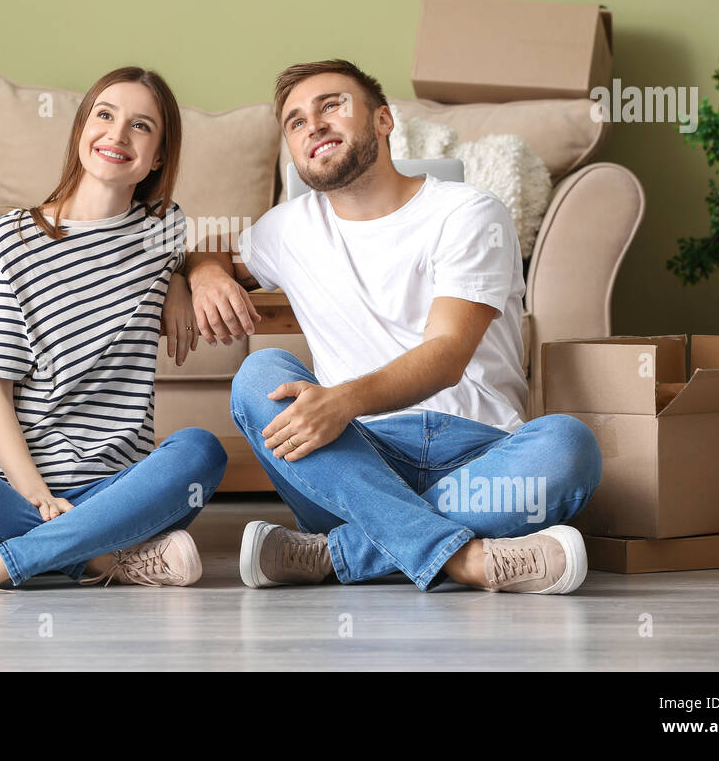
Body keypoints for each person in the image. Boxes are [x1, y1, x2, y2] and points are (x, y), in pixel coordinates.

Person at [184, 59, 602, 595]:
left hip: (480, 455)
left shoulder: (468, 212)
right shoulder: (287, 228)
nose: (312, 124)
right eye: (294, 121)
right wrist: (206, 275)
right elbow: (210, 252)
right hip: (348, 460)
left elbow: (448, 352)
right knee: (258, 374)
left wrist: (341, 400)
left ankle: (335, 554)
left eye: (331, 104)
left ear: (384, 120)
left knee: (569, 447)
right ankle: (466, 559)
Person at [0, 66, 226, 595]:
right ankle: (103, 557)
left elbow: (211, 247)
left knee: (201, 451)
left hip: (113, 489)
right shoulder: (7, 242)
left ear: (159, 157)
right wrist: (35, 493)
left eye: (141, 126)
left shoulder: (163, 229)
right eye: (104, 116)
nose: (117, 135)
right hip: (0, 488)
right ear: (81, 129)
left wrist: (188, 274)